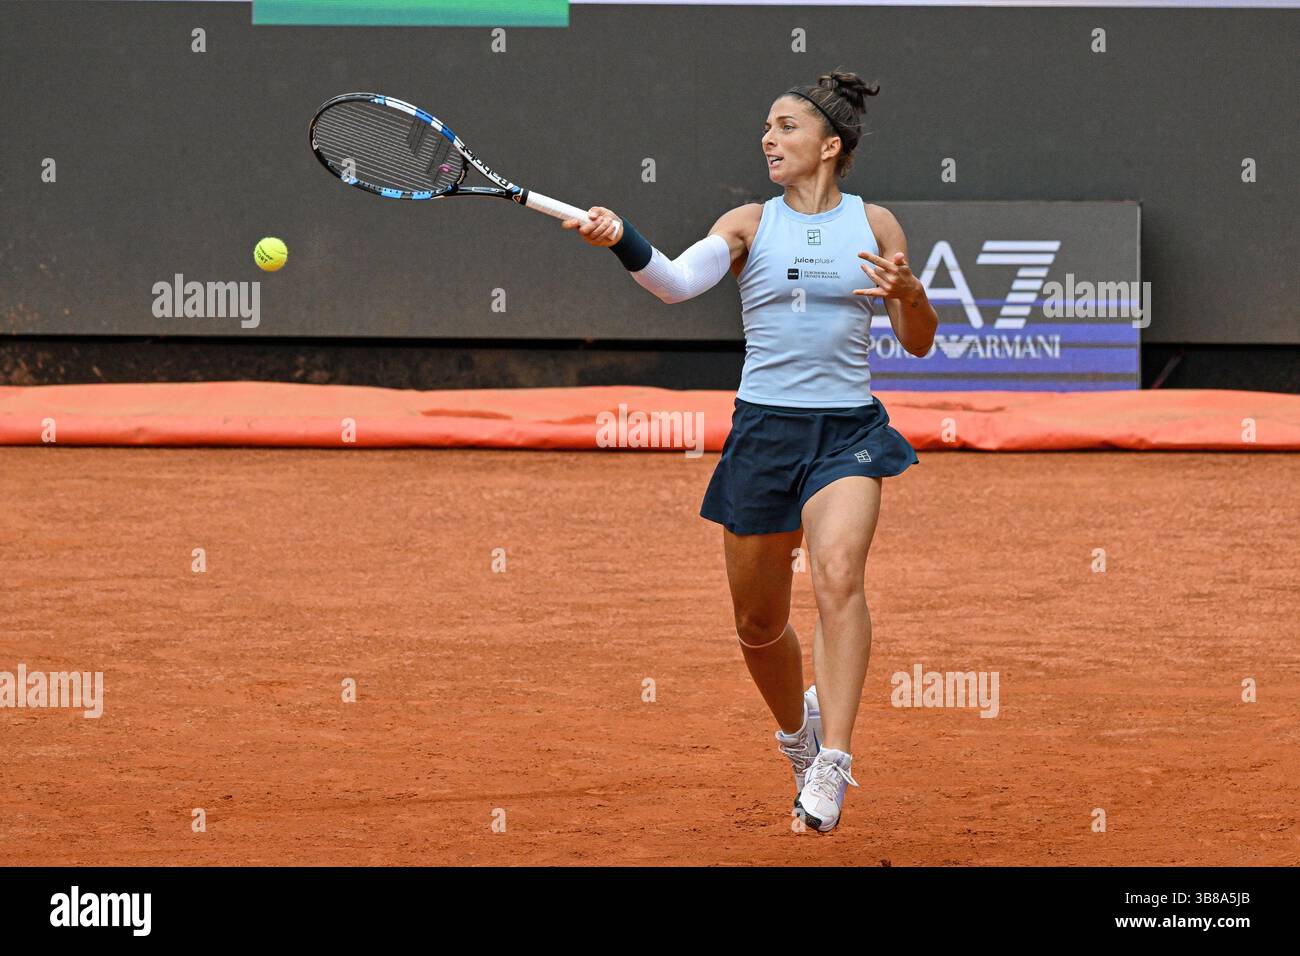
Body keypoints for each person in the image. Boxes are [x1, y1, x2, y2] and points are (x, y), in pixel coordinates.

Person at [563, 69, 937, 833]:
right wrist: (621, 238)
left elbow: (920, 344)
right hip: (766, 433)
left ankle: (834, 759)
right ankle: (797, 739)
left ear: (830, 145)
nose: (770, 139)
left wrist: (911, 294)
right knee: (758, 625)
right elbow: (672, 283)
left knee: (839, 577)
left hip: (850, 433)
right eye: (767, 127)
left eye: (787, 127)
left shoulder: (878, 225)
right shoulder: (747, 223)